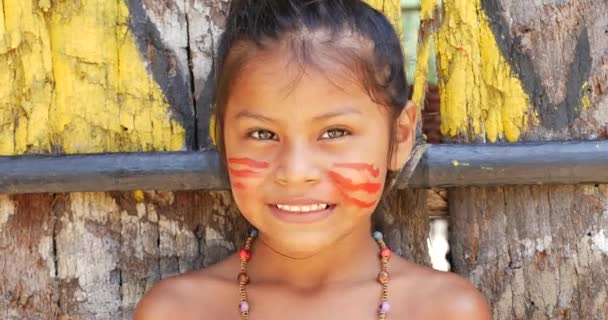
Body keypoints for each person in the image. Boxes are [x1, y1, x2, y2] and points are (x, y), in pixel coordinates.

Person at [134, 1, 491, 319]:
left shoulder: (444, 311)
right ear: (222, 138)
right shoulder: (178, 311)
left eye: (334, 133)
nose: (296, 171)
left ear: (399, 136)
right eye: (262, 134)